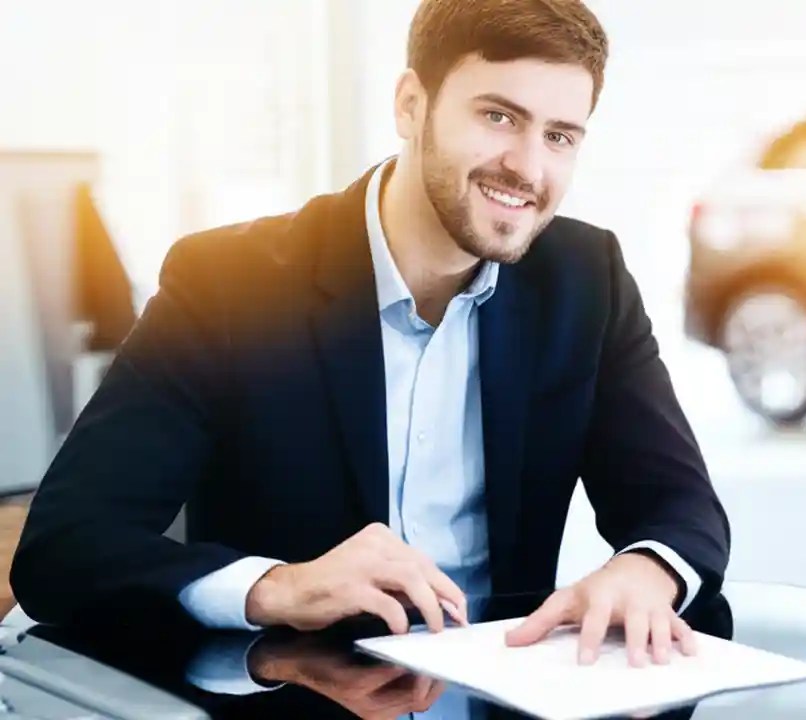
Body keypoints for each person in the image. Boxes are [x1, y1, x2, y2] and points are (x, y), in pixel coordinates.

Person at [12, 0, 730, 669]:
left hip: (505, 696)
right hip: (298, 695)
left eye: (560, 136)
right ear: (410, 105)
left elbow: (678, 502)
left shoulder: (585, 279)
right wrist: (277, 587)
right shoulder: (228, 284)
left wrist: (647, 568)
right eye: (499, 117)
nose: (529, 167)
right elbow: (64, 549)